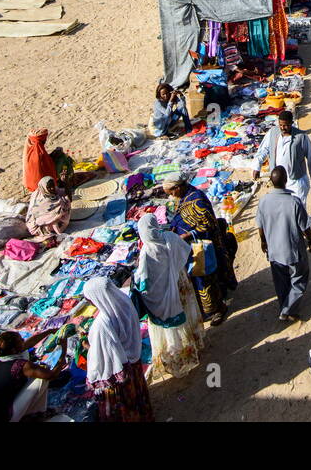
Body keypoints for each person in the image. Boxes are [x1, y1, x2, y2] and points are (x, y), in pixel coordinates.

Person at [134, 216, 204, 379]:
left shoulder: (147, 251)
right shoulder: (170, 237)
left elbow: (144, 280)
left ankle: (179, 358)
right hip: (180, 283)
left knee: (171, 330)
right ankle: (194, 343)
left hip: (164, 292)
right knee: (186, 314)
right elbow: (186, 252)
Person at [83, 278, 153, 421]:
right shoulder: (125, 303)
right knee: (137, 396)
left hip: (120, 371)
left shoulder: (101, 325)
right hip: (133, 359)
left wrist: (89, 347)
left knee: (125, 405)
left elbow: (104, 355)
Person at [166, 180, 234, 326]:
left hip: (202, 246)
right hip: (190, 249)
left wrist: (188, 235)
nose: (172, 196)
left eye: (172, 192)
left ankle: (218, 309)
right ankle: (206, 309)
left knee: (207, 280)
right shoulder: (184, 198)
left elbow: (208, 223)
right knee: (198, 280)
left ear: (177, 187)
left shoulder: (197, 199)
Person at [255, 166, 311, 322]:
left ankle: (285, 305)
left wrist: (263, 242)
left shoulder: (264, 201)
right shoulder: (293, 202)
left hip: (274, 251)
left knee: (281, 281)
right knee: (300, 279)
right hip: (293, 250)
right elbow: (305, 227)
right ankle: (288, 309)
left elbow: (260, 226)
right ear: (286, 181)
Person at [0, 329, 68, 423]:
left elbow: (28, 344)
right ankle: (36, 414)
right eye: (21, 340)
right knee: (41, 378)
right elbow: (51, 375)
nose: (23, 341)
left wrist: (49, 332)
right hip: (2, 417)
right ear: (14, 349)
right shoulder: (21, 365)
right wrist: (63, 351)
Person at [254, 109, 311, 203]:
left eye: (286, 125)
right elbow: (263, 149)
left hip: (295, 180)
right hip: (279, 181)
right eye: (280, 125)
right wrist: (257, 166)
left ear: (291, 123)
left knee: (299, 205)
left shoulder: (301, 136)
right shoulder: (273, 132)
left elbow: (310, 153)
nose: (283, 128)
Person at [23, 129, 59, 193]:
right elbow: (47, 166)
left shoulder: (28, 152)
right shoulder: (39, 152)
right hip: (43, 186)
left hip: (30, 184)